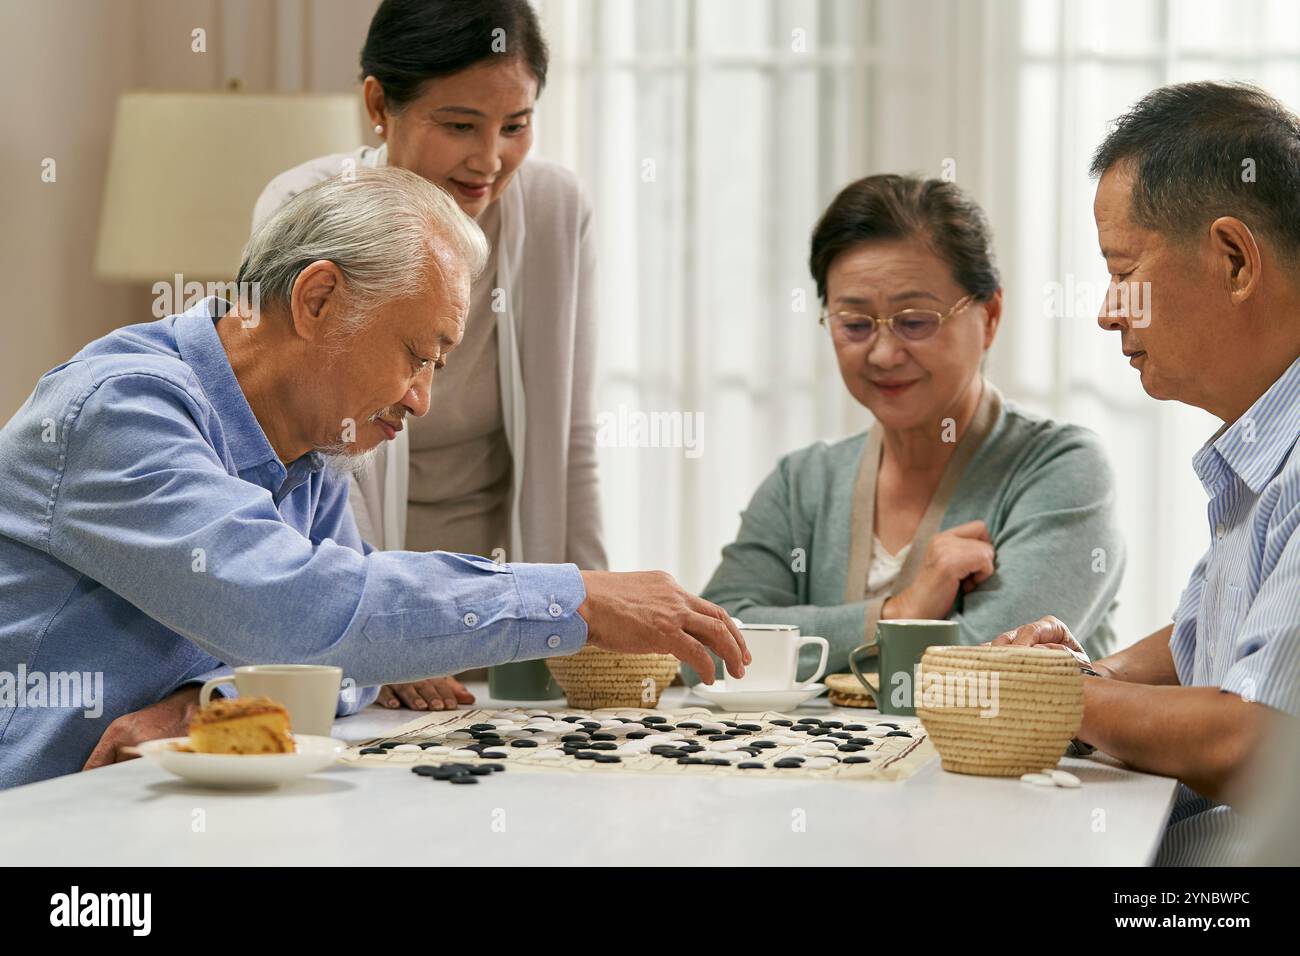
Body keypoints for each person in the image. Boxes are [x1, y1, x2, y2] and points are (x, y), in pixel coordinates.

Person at [0, 168, 747, 789]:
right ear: (318, 299)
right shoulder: (119, 410)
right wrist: (573, 597)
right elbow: (301, 612)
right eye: (417, 355)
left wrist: (215, 701)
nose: (421, 398)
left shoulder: (315, 443)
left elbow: (341, 661)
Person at [254, 0, 605, 710]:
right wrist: (379, 635)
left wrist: (590, 608)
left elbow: (571, 441)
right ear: (379, 104)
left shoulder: (557, 208)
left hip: (498, 600)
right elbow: (310, 453)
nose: (490, 160)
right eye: (459, 126)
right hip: (360, 600)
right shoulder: (306, 208)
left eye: (517, 125)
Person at [993, 81, 1300, 865]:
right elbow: (1214, 640)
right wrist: (1088, 673)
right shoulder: (1259, 449)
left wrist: (1055, 697)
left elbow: (1255, 738)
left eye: (1122, 269)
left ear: (1234, 260)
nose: (1106, 311)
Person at [690, 174, 1124, 685]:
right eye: (854, 324)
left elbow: (1000, 666)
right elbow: (706, 647)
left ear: (990, 316)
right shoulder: (802, 482)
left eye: (915, 321)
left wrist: (798, 649)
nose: (883, 353)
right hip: (821, 767)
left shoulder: (1061, 467)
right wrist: (898, 611)